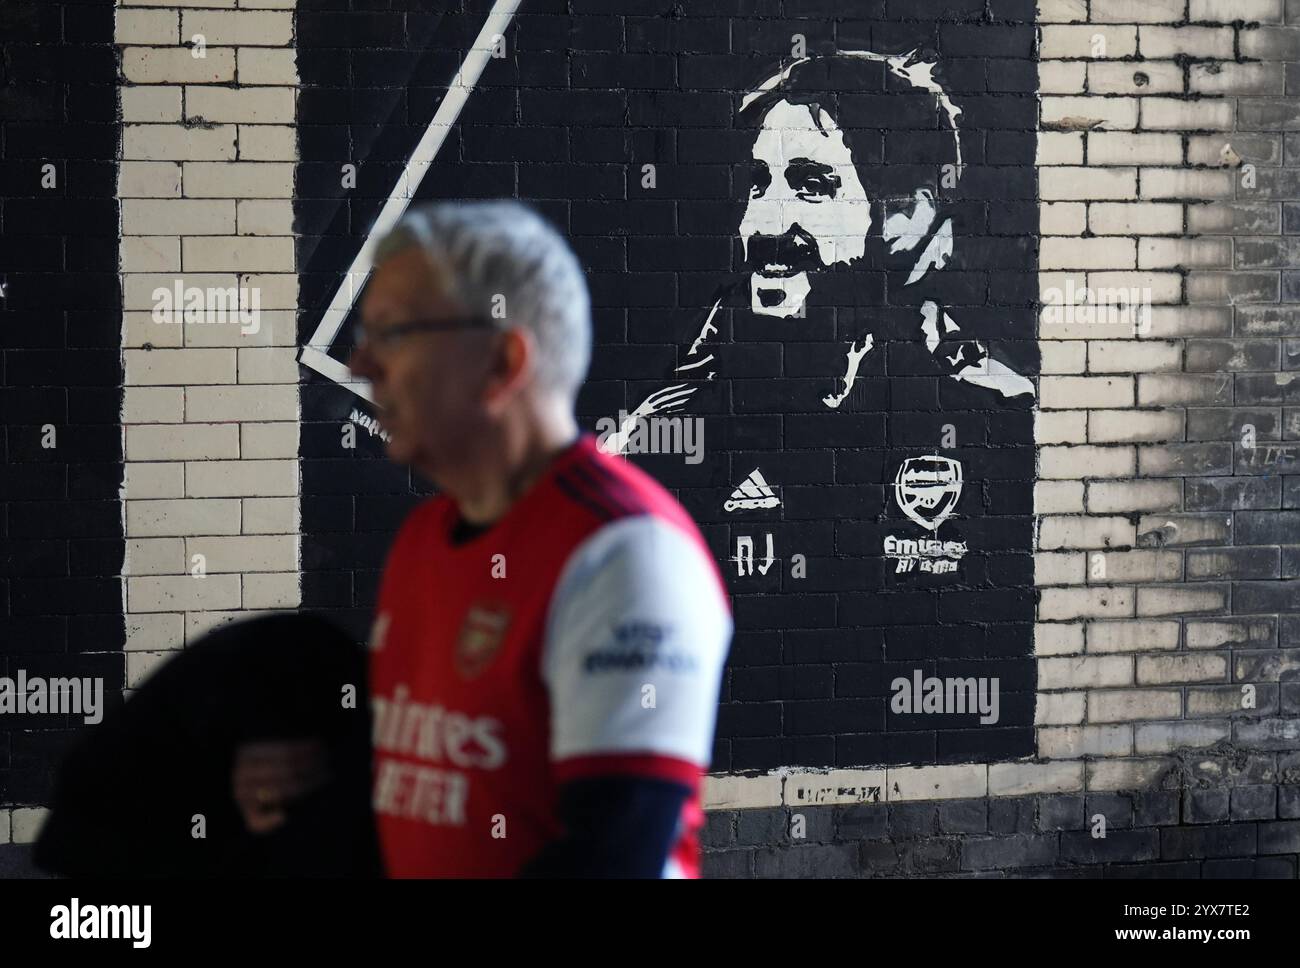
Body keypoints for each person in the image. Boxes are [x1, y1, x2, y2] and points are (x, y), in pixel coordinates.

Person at [234, 200, 732, 878]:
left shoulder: (626, 556)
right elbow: (445, 783)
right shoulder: (424, 538)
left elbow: (611, 858)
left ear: (502, 364)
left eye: (394, 333)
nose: (361, 361)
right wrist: (319, 786)